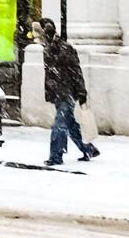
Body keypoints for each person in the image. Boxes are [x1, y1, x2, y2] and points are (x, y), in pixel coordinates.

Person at [37, 18, 99, 166]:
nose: (36, 38)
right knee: (70, 124)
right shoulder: (48, 48)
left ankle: (56, 156)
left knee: (59, 125)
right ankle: (89, 149)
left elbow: (76, 71)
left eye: (39, 33)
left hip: (66, 93)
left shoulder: (63, 48)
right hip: (59, 93)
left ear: (45, 33)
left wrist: (81, 93)